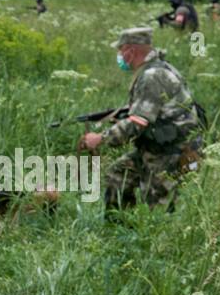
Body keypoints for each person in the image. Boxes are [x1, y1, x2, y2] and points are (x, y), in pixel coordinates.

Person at [78, 26, 202, 211]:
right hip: (157, 145)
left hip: (171, 152)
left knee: (158, 208)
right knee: (118, 175)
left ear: (130, 51)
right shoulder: (157, 68)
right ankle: (121, 229)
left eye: (120, 50)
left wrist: (100, 138)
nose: (119, 56)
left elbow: (139, 122)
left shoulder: (152, 76)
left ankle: (155, 237)